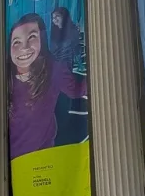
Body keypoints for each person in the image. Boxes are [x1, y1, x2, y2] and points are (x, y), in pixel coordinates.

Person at [8, 13, 87, 159]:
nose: (24, 48)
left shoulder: (54, 70)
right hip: (8, 166)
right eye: (16, 42)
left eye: (32, 37)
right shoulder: (4, 79)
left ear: (42, 40)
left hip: (42, 161)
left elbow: (77, 90)